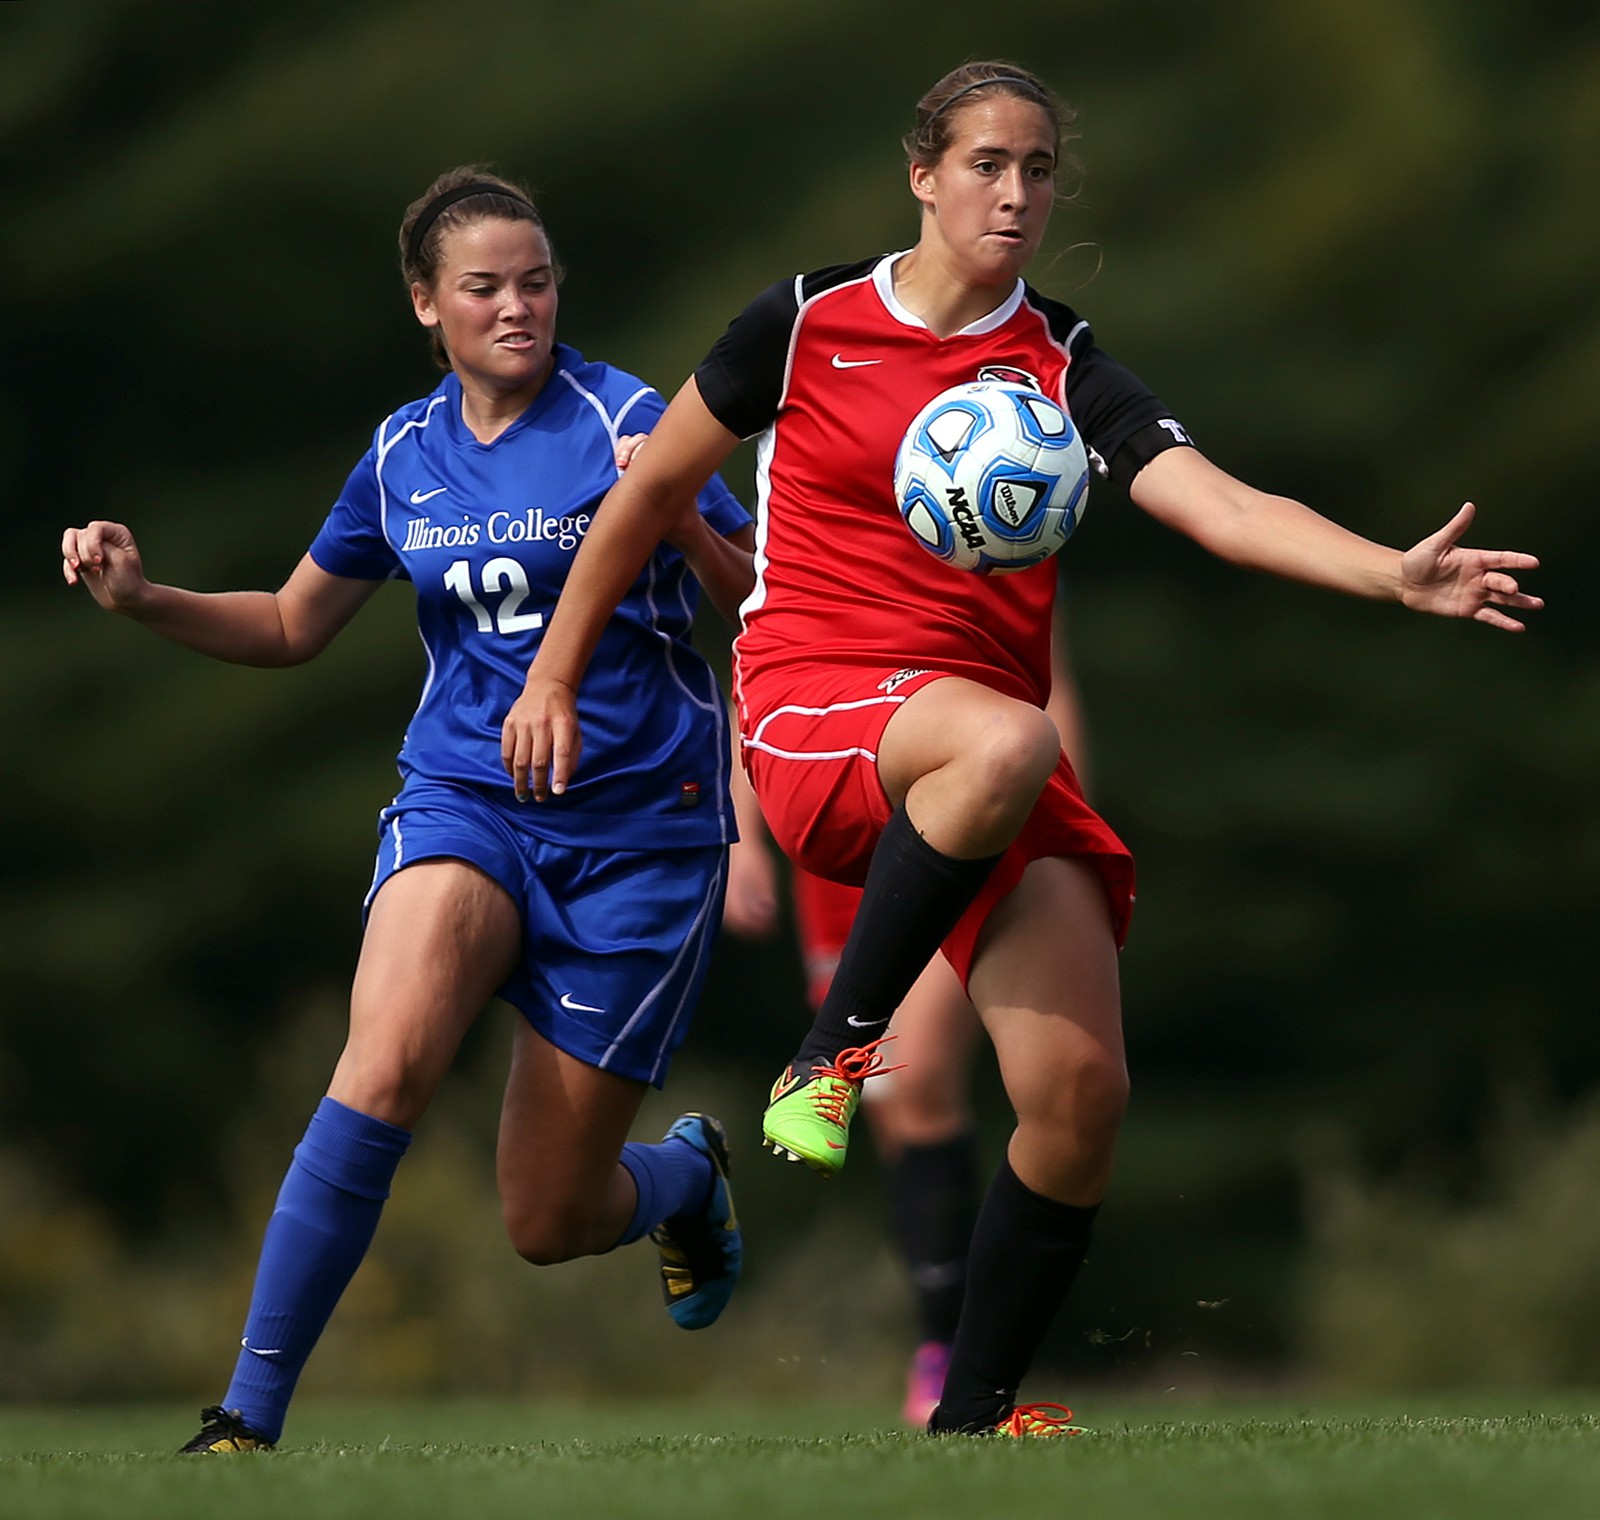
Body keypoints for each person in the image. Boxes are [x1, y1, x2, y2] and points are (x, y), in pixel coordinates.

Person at [503, 61, 1541, 1437]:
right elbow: (646, 492)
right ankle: (832, 1054)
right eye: (988, 163)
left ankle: (971, 1419)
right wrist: (557, 673)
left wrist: (1388, 576)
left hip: (977, 761)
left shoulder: (1063, 363)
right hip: (819, 710)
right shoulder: (806, 324)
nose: (1016, 192)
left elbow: (1216, 504)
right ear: (923, 175)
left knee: (1078, 1097)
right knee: (1011, 740)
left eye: (1039, 169)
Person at [60, 166, 754, 1453]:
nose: (517, 306)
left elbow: (755, 599)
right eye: (483, 286)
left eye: (536, 281)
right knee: (377, 1068)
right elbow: (287, 623)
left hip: (640, 836)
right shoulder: (401, 452)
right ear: (425, 304)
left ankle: (686, 1174)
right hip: (468, 801)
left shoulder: (634, 415)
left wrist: (668, 507)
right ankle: (244, 1424)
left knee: (547, 1220)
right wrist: (146, 599)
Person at [726, 606, 1087, 1427]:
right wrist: (742, 833)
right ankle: (940, 1344)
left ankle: (953, 1360)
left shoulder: (1008, 508)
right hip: (844, 819)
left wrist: (1069, 859)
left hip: (974, 811)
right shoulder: (821, 527)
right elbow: (766, 660)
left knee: (915, 1075)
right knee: (893, 1106)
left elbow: (1052, 697)